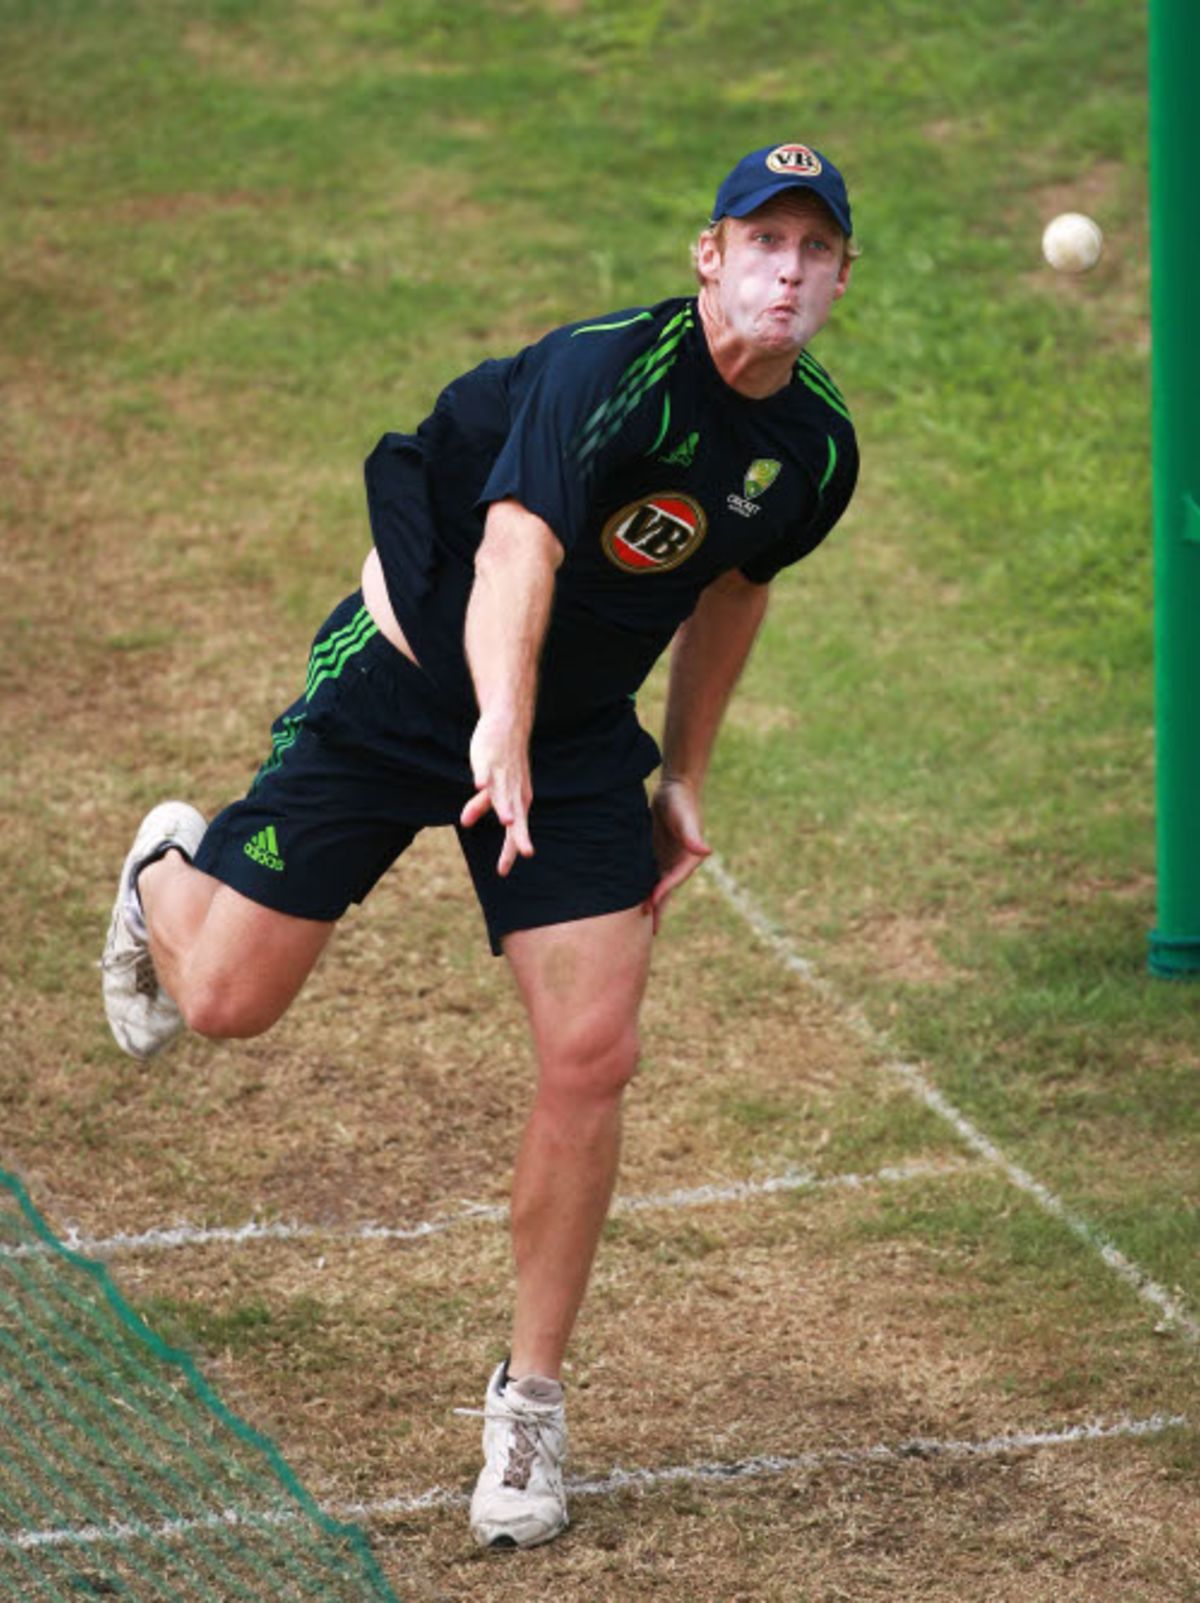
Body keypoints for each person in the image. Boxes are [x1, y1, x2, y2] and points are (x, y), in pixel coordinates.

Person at [101, 141, 859, 1550]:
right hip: (406, 688)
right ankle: (164, 875)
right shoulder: (603, 373)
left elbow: (735, 590)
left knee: (594, 1052)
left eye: (815, 252)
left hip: (567, 747)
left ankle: (530, 1406)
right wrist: (491, 721)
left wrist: (680, 770)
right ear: (710, 255)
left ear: (839, 283)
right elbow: (519, 550)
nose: (787, 271)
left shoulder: (811, 450)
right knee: (224, 1004)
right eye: (764, 241)